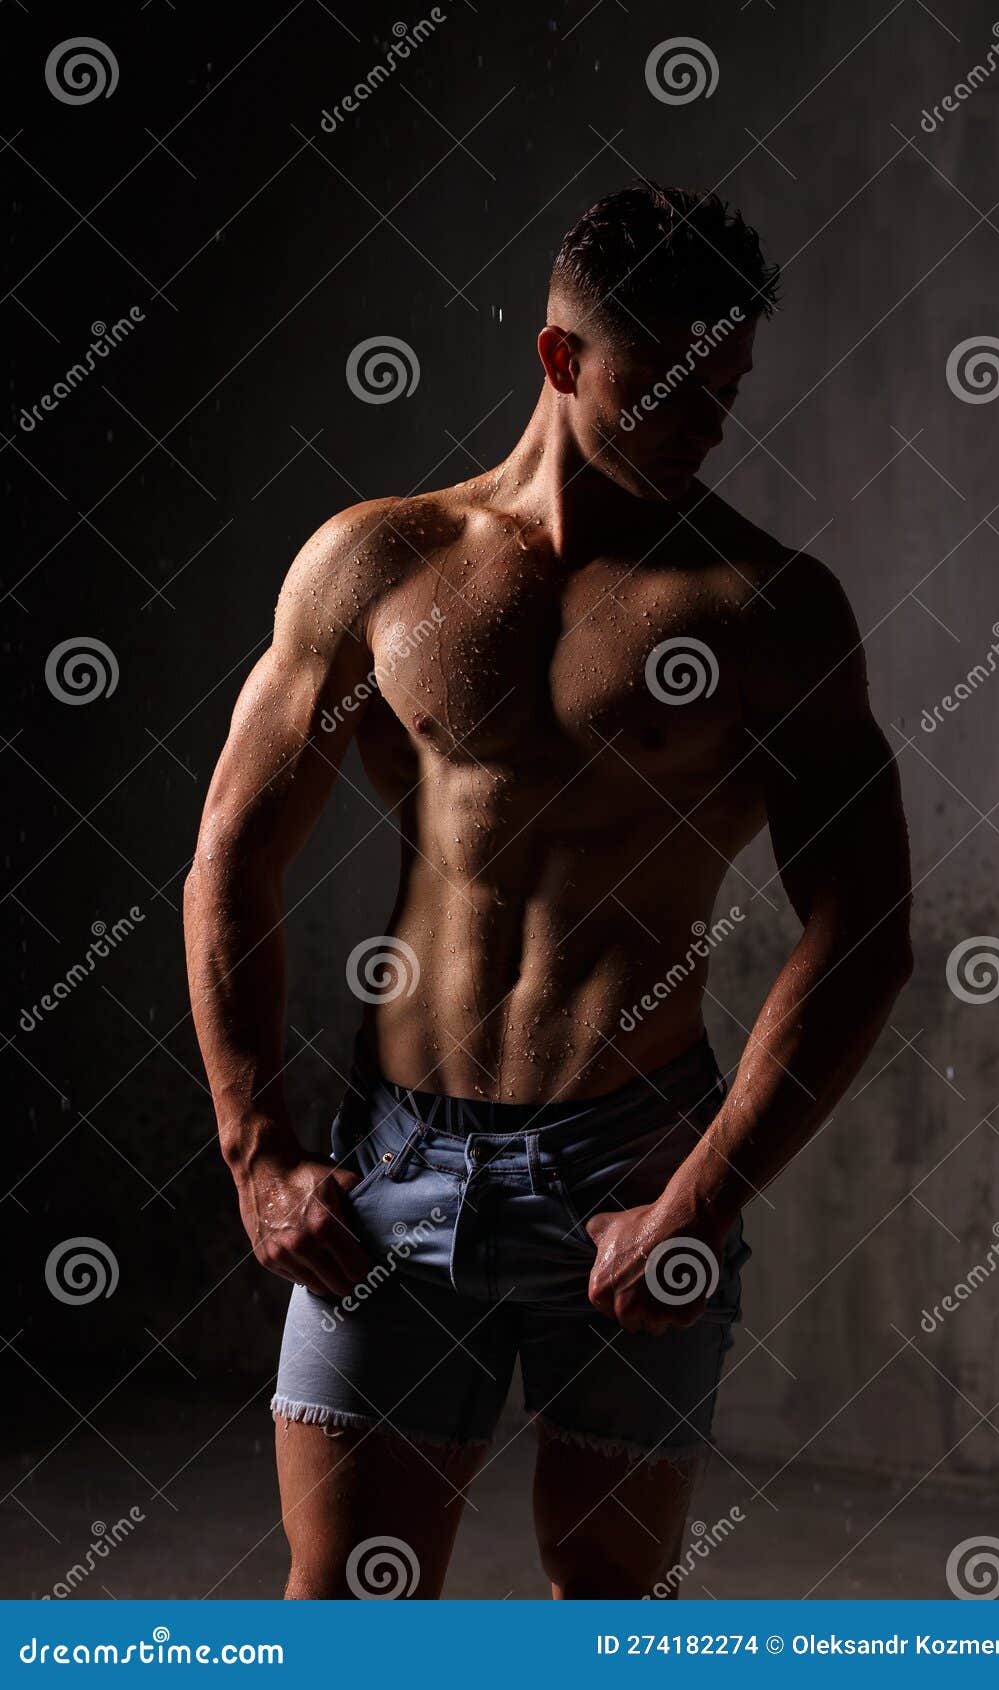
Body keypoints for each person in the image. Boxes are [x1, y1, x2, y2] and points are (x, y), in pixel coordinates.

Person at [184, 183, 912, 1599]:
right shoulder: (379, 562)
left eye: (727, 389)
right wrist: (255, 1150)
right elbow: (230, 855)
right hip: (393, 1169)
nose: (708, 425)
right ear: (562, 357)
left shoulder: (765, 608)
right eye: (671, 388)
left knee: (610, 1612)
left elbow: (863, 928)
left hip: (634, 1163)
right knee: (348, 1611)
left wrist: (704, 1192)